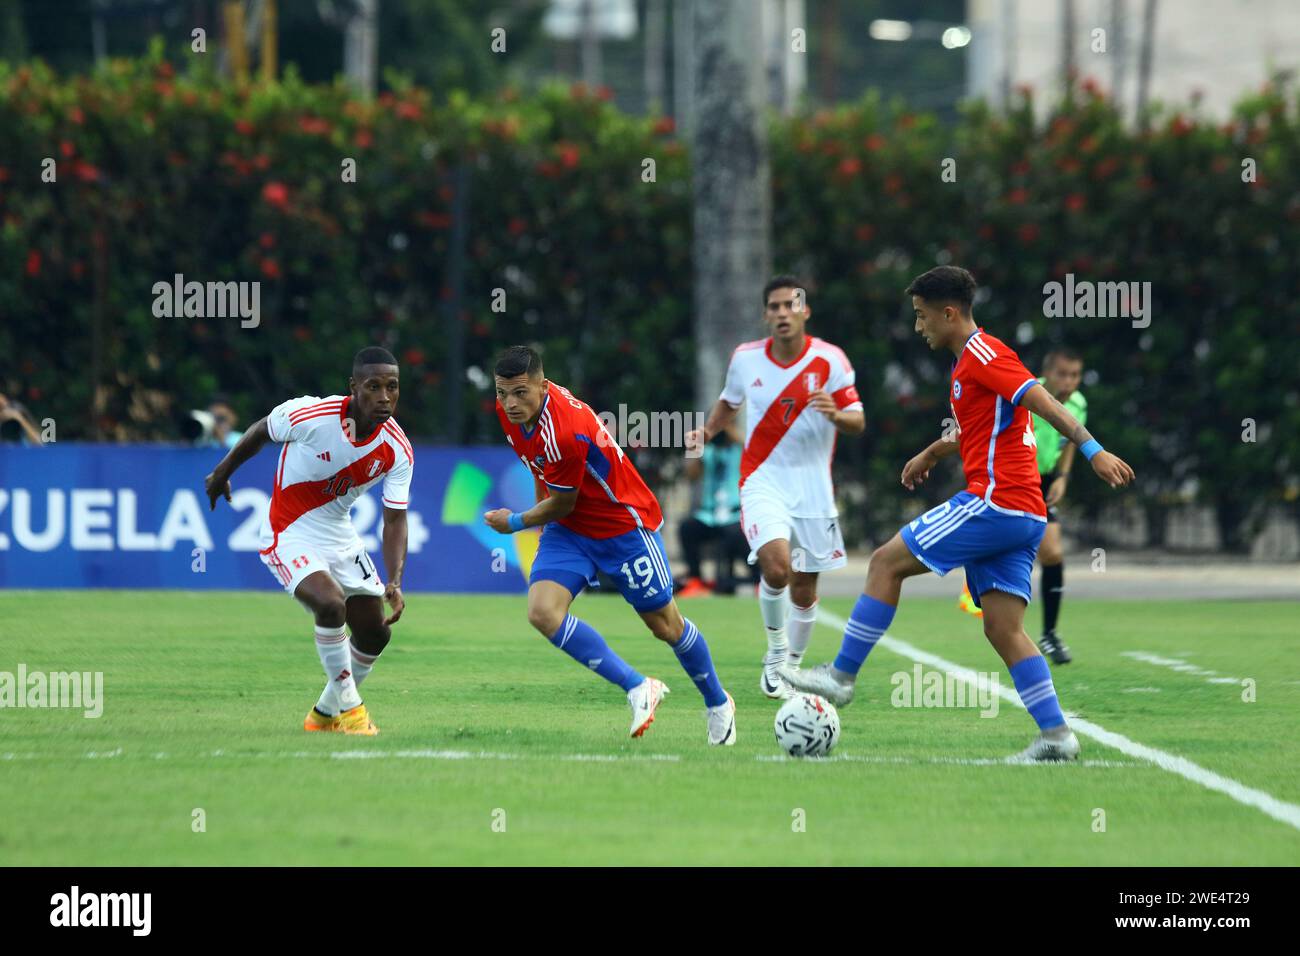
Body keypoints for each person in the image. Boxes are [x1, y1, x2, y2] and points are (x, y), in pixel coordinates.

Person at [784, 266, 1134, 761]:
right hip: (1025, 515)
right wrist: (931, 453)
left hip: (996, 502)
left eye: (922, 316)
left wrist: (1093, 449)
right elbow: (977, 430)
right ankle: (1057, 737)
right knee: (1002, 629)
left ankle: (840, 677)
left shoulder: (984, 353)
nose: (918, 326)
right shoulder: (969, 363)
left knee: (886, 562)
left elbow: (1043, 401)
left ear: (949, 313)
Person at [485, 345, 736, 745]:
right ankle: (638, 687)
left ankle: (719, 702)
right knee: (543, 612)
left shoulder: (565, 430)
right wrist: (541, 518)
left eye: (520, 393)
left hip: (622, 526)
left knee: (664, 626)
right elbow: (541, 472)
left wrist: (515, 522)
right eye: (502, 393)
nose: (510, 403)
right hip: (568, 529)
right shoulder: (509, 415)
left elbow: (562, 499)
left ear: (543, 386)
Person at [203, 346, 412, 736]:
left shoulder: (397, 450)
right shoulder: (311, 415)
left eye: (392, 387)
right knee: (331, 605)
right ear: (353, 387)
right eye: (374, 387)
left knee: (375, 632)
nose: (385, 397)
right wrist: (221, 472)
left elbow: (395, 518)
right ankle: (352, 710)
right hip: (288, 530)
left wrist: (395, 579)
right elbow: (260, 431)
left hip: (338, 533)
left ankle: (322, 716)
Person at [686, 276, 865, 700]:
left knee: (805, 589)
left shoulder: (830, 359)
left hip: (815, 489)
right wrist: (707, 433)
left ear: (805, 312)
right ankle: (776, 652)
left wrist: (836, 415)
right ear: (766, 314)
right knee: (777, 568)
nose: (782, 313)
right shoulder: (746, 359)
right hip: (762, 480)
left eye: (790, 305)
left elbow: (857, 419)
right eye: (775, 306)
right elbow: (729, 401)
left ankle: (794, 668)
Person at [1031, 348, 1087, 663]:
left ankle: (1049, 633)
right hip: (1012, 479)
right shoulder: (1028, 394)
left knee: (1052, 553)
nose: (1069, 382)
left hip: (1042, 480)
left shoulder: (1078, 404)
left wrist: (1063, 477)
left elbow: (1070, 440)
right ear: (1047, 373)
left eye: (1075, 375)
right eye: (1062, 374)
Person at [677, 421, 755, 597]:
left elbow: (750, 449)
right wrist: (695, 448)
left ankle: (758, 578)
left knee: (738, 535)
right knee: (687, 529)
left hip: (733, 515)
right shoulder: (708, 451)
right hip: (709, 515)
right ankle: (695, 578)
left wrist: (728, 428)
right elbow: (691, 476)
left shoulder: (738, 450)